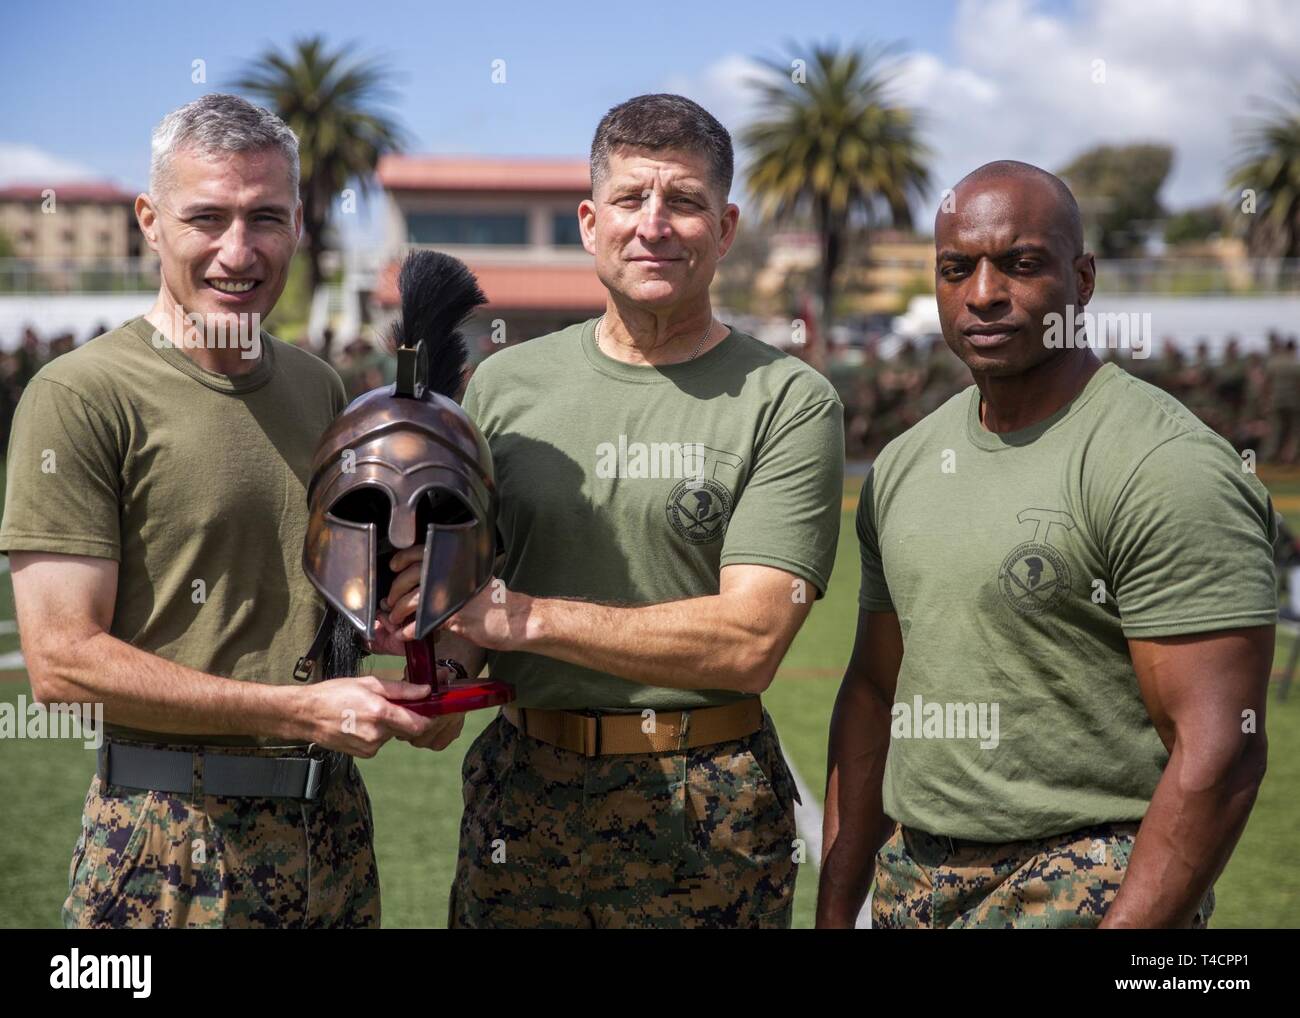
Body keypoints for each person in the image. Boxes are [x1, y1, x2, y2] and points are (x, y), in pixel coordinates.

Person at [384, 93, 844, 928]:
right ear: (591, 223)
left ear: (728, 227)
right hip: (521, 798)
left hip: (708, 809)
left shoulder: (789, 400)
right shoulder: (504, 386)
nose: (655, 225)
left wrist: (520, 619)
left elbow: (750, 641)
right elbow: (470, 607)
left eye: (686, 202)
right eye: (632, 199)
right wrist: (437, 671)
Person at [1, 93, 455, 929]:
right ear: (150, 220)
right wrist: (298, 710)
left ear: (299, 223)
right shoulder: (79, 396)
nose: (237, 252)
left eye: (265, 219)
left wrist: (403, 658)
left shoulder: (318, 387)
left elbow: (314, 609)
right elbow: (61, 665)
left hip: (332, 837)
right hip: (168, 846)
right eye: (206, 218)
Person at [818, 160, 1276, 929]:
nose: (984, 292)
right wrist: (836, 910)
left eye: (1022, 264)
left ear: (1084, 278)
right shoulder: (903, 464)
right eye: (956, 269)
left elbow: (1221, 750)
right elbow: (872, 693)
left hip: (1084, 890)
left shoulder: (1165, 466)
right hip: (915, 888)